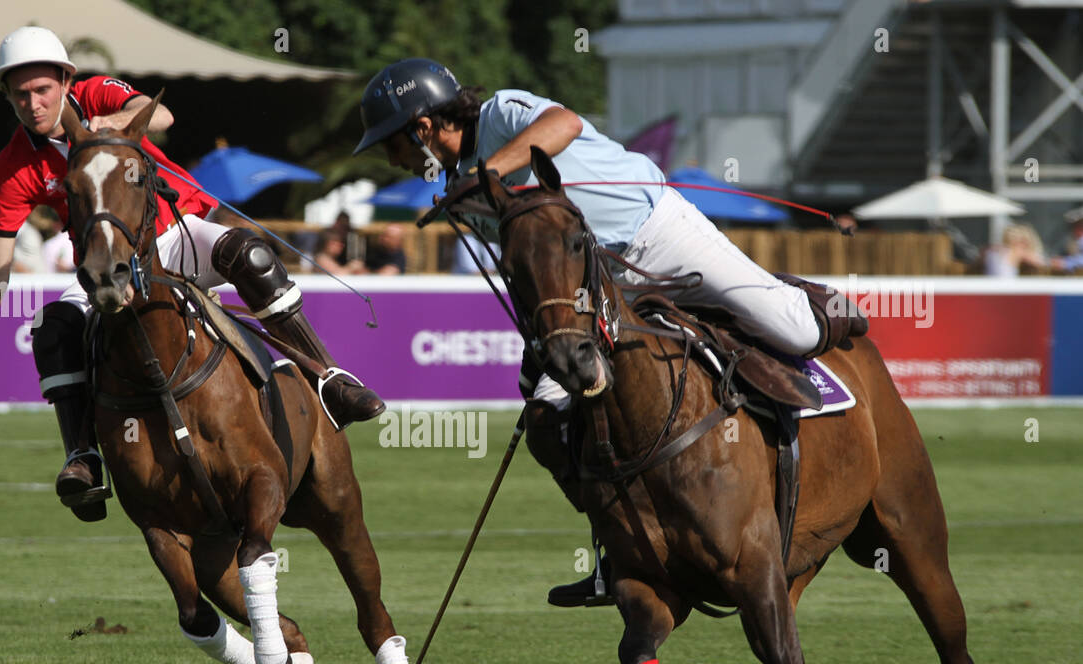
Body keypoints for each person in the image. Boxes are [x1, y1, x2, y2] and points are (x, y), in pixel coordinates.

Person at [353, 58, 868, 606]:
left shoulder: (501, 114)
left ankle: (824, 306)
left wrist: (488, 177)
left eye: (393, 144)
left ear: (424, 127)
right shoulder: (457, 187)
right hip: (598, 291)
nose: (393, 159)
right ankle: (613, 547)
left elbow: (565, 123)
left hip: (659, 234)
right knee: (553, 417)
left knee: (793, 331)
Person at [0, 25, 384, 523]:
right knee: (53, 328)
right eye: (19, 94)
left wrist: (114, 119)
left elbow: (163, 115)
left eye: (42, 89)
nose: (33, 103)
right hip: (112, 265)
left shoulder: (96, 92)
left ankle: (330, 380)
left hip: (178, 234)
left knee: (251, 256)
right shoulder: (16, 164)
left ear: (65, 81)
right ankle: (83, 456)